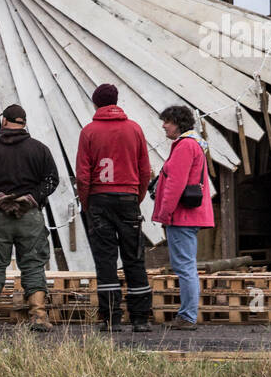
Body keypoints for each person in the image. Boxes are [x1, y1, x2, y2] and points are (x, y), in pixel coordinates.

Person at [0, 104, 60, 333]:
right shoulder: (39, 149)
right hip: (29, 217)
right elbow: (52, 180)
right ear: (24, 122)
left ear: (4, 121)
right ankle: (39, 317)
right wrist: (31, 199)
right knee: (33, 264)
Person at [76, 83, 152, 332]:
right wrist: (136, 197)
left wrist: (87, 204)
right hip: (128, 198)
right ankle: (140, 318)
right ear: (116, 101)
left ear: (96, 103)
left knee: (106, 259)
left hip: (99, 199)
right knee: (134, 257)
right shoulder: (135, 129)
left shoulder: (89, 132)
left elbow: (83, 175)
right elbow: (144, 171)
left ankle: (111, 319)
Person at [152, 105, 215, 331]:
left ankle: (187, 316)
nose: (164, 125)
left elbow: (174, 185)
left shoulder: (184, 146)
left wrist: (165, 214)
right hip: (188, 216)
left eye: (167, 121)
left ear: (178, 123)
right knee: (186, 265)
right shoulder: (193, 144)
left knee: (185, 267)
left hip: (181, 217)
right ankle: (186, 314)